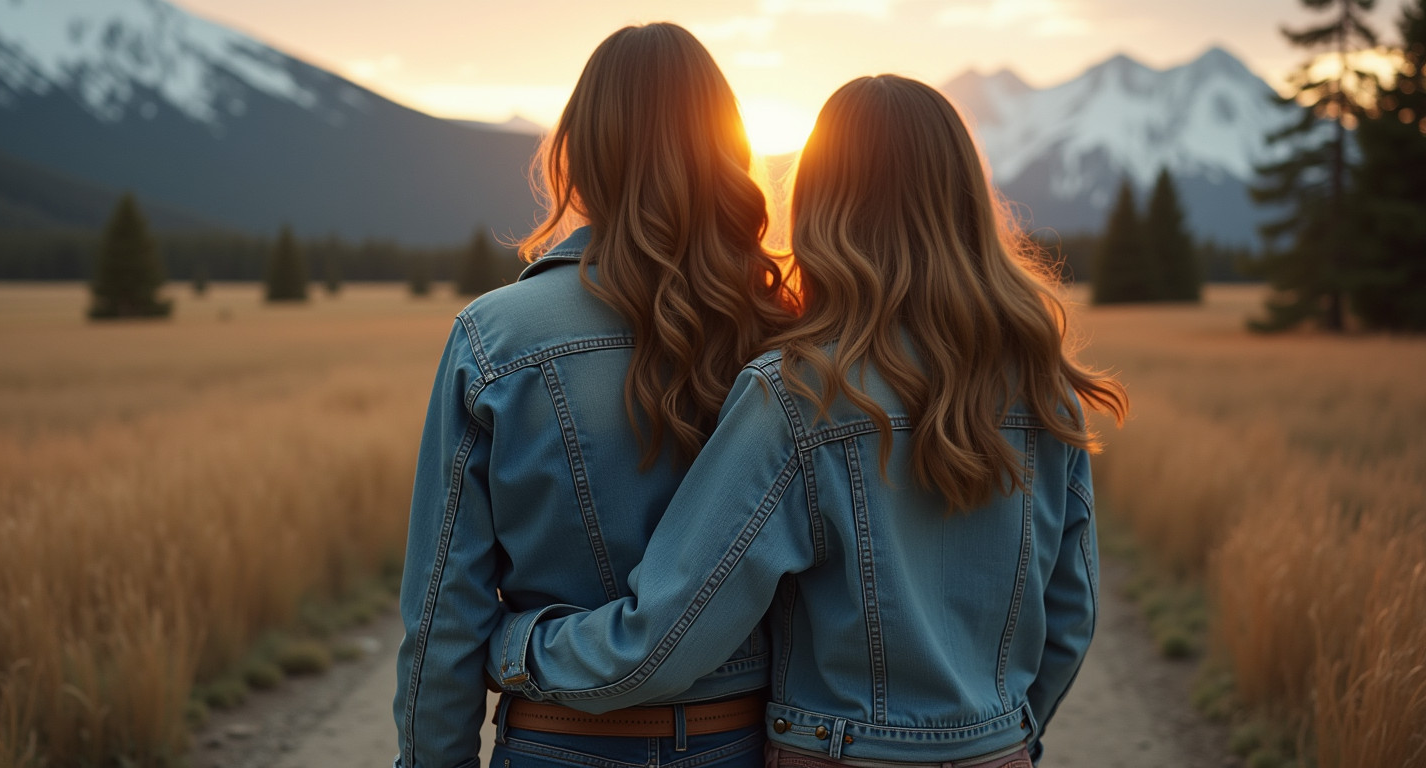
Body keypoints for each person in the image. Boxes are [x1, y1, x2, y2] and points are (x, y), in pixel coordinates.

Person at [484, 75, 1130, 768]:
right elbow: (1071, 618)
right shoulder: (1045, 388)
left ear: (823, 206)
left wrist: (517, 645)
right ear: (968, 200)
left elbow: (664, 639)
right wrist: (1005, 738)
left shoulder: (796, 395)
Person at [391, 22, 796, 768]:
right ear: (726, 148)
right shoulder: (788, 332)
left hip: (556, 741)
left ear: (581, 151)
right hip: (744, 741)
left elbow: (443, 610)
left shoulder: (494, 338)